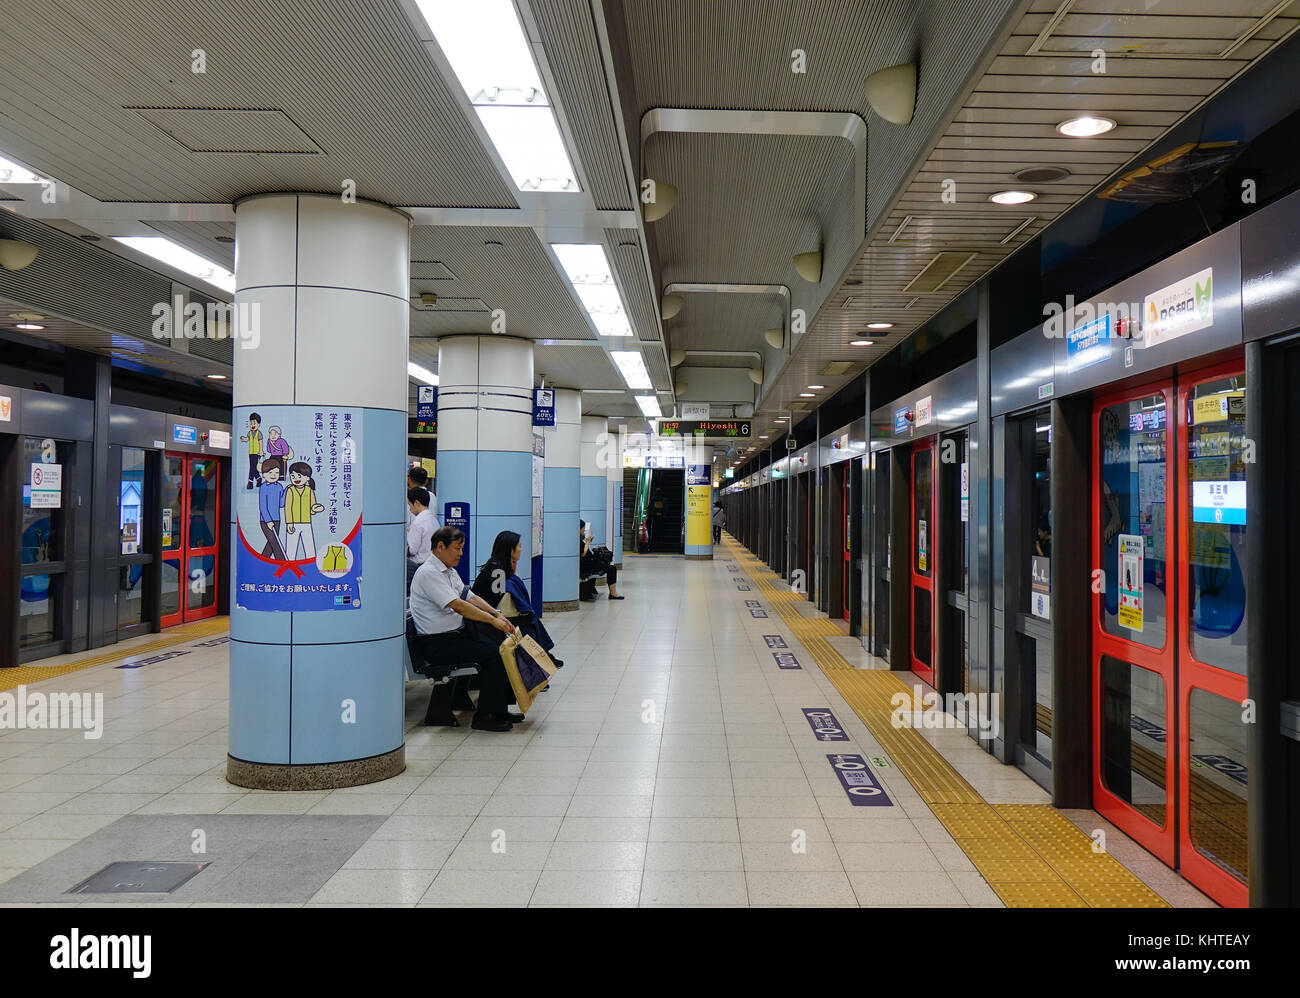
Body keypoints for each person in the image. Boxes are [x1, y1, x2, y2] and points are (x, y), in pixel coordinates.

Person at [409, 526, 519, 732]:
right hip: (437, 644)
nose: (461, 553)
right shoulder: (428, 573)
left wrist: (496, 614)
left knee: (500, 646)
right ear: (440, 547)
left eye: (462, 549)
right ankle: (485, 717)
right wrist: (491, 620)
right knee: (494, 656)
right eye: (457, 549)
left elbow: (469, 596)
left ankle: (498, 710)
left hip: (454, 637)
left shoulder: (448, 571)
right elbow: (458, 605)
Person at [472, 530, 562, 668]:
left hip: (492, 615)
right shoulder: (497, 571)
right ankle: (542, 658)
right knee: (527, 621)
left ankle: (543, 657)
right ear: (510, 549)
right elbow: (499, 601)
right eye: (519, 546)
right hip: (484, 620)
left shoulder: (501, 567)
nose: (521, 549)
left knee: (529, 618)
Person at [283, 461, 324, 561]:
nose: (296, 478)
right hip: (294, 523)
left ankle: (311, 569)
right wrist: (289, 523)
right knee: (290, 551)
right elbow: (287, 507)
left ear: (307, 478)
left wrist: (315, 509)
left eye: (299, 475)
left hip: (306, 523)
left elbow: (312, 507)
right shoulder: (290, 490)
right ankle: (289, 569)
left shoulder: (309, 490)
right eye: (293, 476)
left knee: (310, 550)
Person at [580, 519, 623, 600]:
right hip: (586, 566)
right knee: (611, 568)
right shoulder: (576, 541)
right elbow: (583, 553)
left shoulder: (579, 540)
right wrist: (588, 542)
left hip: (590, 563)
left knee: (609, 565)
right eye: (583, 529)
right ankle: (613, 593)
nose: (584, 531)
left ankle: (612, 593)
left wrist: (587, 542)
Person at [406, 486, 439, 591]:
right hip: (432, 563)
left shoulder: (418, 522)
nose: (410, 509)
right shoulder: (432, 519)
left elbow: (412, 549)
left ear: (416, 503)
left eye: (409, 505)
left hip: (418, 566)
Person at [257, 457, 287, 560]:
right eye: (270, 473)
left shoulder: (279, 487)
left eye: (276, 473)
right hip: (265, 521)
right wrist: (268, 521)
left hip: (277, 519)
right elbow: (262, 506)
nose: (273, 475)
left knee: (271, 543)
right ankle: (282, 561)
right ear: (264, 474)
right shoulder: (263, 487)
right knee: (274, 542)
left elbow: (281, 504)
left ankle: (262, 561)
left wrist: (286, 491)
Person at [239, 412, 263, 490]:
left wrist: (261, 450)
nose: (252, 425)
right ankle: (259, 479)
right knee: (254, 467)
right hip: (251, 453)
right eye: (251, 423)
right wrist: (243, 439)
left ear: (258, 424)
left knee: (252, 467)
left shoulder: (259, 433)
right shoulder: (249, 433)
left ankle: (250, 482)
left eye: (254, 423)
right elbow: (247, 439)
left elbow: (260, 442)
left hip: (257, 453)